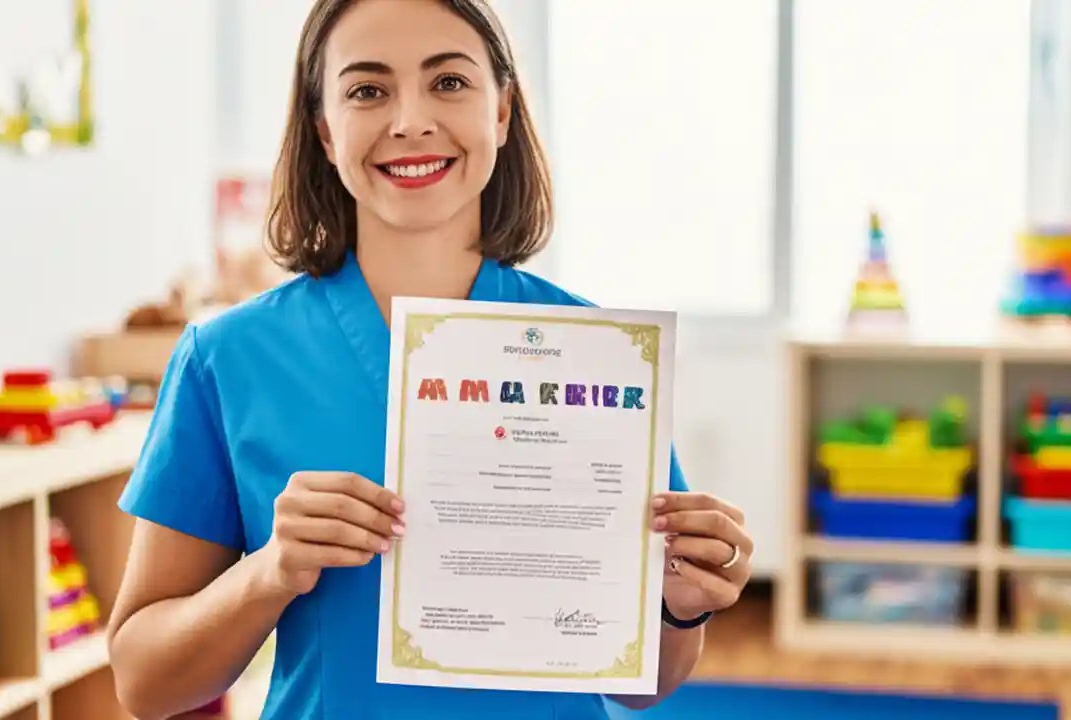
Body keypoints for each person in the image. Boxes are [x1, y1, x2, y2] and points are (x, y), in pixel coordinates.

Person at [105, 1, 754, 718]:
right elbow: (143, 682)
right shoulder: (226, 359)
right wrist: (271, 572)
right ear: (324, 130)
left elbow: (644, 684)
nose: (410, 120)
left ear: (502, 112)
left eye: (448, 83)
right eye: (367, 90)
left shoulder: (598, 352)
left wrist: (681, 606)